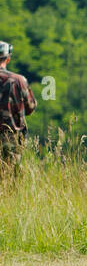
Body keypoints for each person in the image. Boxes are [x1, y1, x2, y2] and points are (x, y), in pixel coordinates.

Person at [0, 41, 38, 180]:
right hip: (12, 138)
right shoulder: (19, 80)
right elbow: (30, 108)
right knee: (11, 178)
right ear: (8, 59)